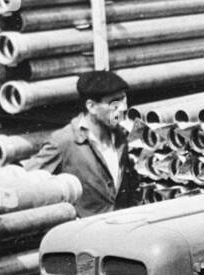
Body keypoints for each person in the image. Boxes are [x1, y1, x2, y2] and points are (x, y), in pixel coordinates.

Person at [24, 69, 138, 219]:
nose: (123, 108)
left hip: (120, 229)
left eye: (124, 99)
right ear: (91, 106)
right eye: (114, 102)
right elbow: (28, 183)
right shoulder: (64, 142)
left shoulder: (122, 137)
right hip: (85, 234)